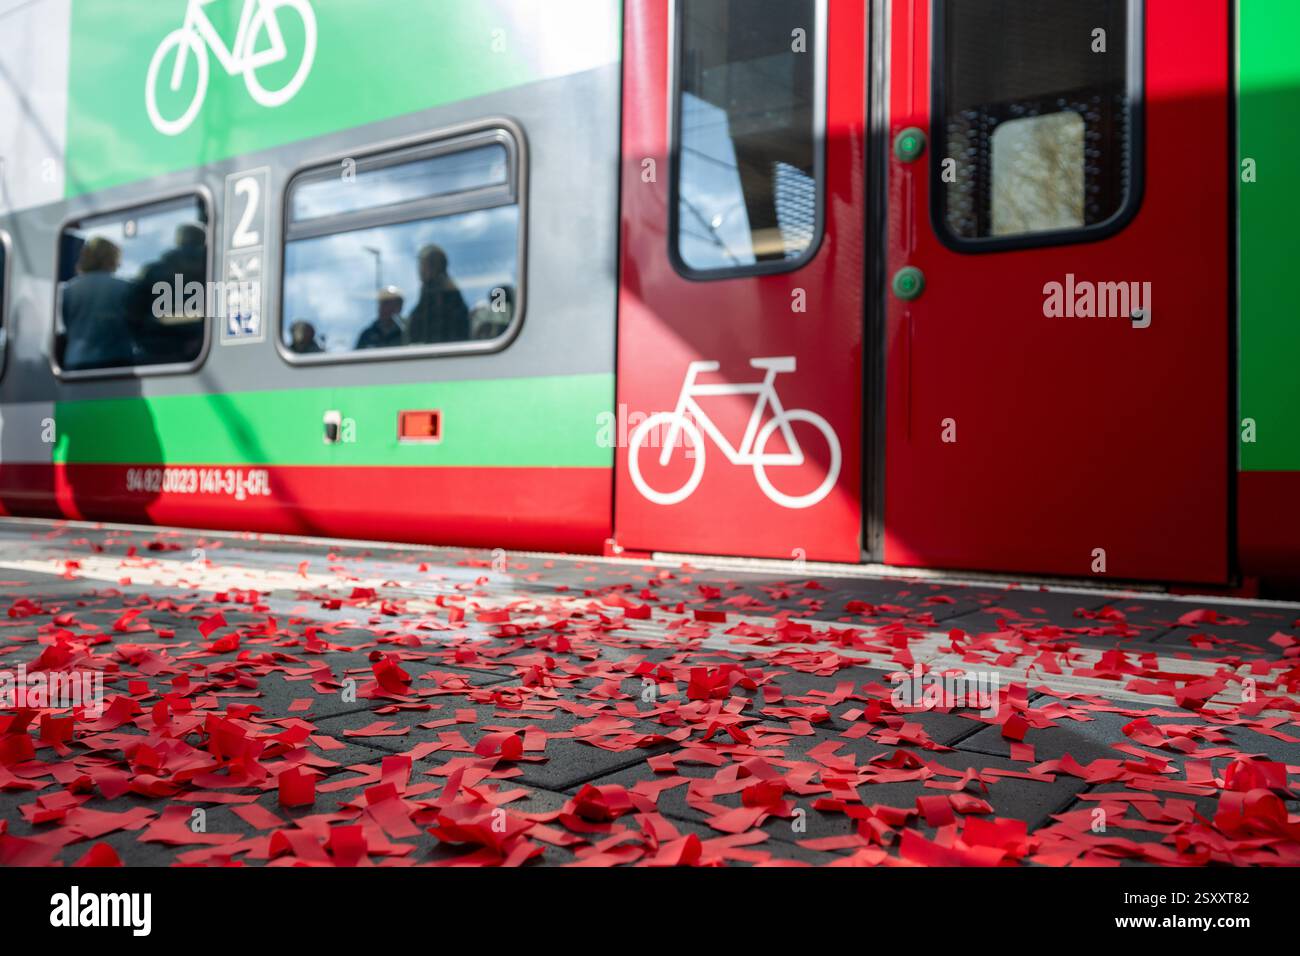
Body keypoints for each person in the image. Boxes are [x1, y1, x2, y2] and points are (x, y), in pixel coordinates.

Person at [132, 222, 208, 364]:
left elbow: (133, 313)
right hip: (198, 348)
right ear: (202, 240)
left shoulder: (152, 271)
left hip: (155, 350)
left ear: (178, 240)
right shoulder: (214, 269)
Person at [60, 237, 135, 370]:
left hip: (76, 362)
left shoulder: (67, 290)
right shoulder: (126, 288)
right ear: (112, 258)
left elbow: (67, 325)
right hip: (118, 361)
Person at [405, 244, 469, 344]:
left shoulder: (445, 295)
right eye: (420, 264)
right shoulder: (428, 292)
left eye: (423, 264)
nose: (420, 270)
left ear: (436, 266)